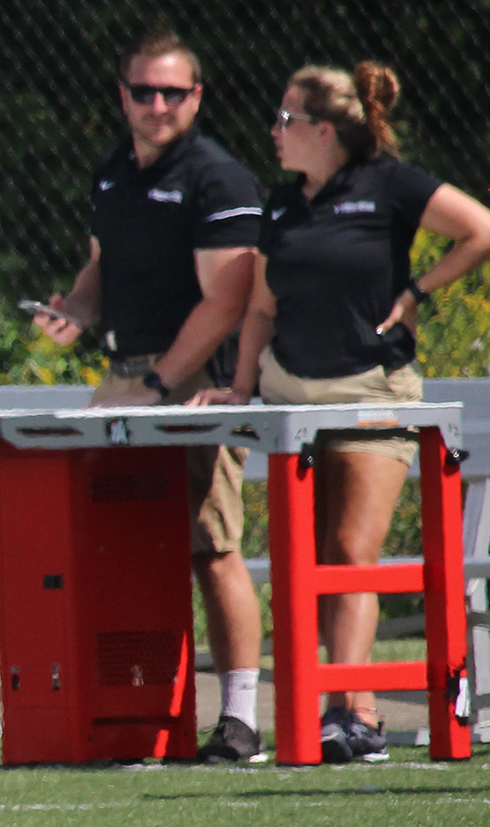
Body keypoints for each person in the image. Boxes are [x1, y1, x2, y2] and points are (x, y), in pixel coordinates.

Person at [191, 62, 490, 762]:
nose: (275, 132)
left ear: (325, 130)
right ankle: (340, 707)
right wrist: (241, 387)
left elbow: (480, 229)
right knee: (312, 557)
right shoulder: (285, 200)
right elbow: (261, 306)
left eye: (286, 120)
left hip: (368, 393)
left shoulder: (388, 182)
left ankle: (348, 716)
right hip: (291, 398)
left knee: (352, 553)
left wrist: (417, 289)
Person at [33, 31, 268, 762]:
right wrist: (73, 308)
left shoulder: (216, 178)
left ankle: (239, 719)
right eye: (144, 91)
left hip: (194, 383)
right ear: (122, 95)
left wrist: (161, 384)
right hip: (126, 377)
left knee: (211, 544)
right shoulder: (112, 173)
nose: (157, 105)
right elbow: (101, 270)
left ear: (196, 97)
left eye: (173, 93)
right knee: (114, 543)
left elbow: (227, 301)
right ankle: (131, 712)